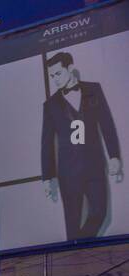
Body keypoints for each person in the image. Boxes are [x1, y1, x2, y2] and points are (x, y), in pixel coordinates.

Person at [40, 51, 122, 241]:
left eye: (58, 73)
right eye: (52, 76)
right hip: (68, 173)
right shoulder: (50, 105)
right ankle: (76, 260)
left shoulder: (93, 89)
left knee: (99, 214)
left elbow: (106, 123)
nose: (55, 79)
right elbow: (46, 143)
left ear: (70, 69)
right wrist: (47, 177)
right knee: (72, 224)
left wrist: (114, 156)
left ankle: (77, 247)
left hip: (95, 167)